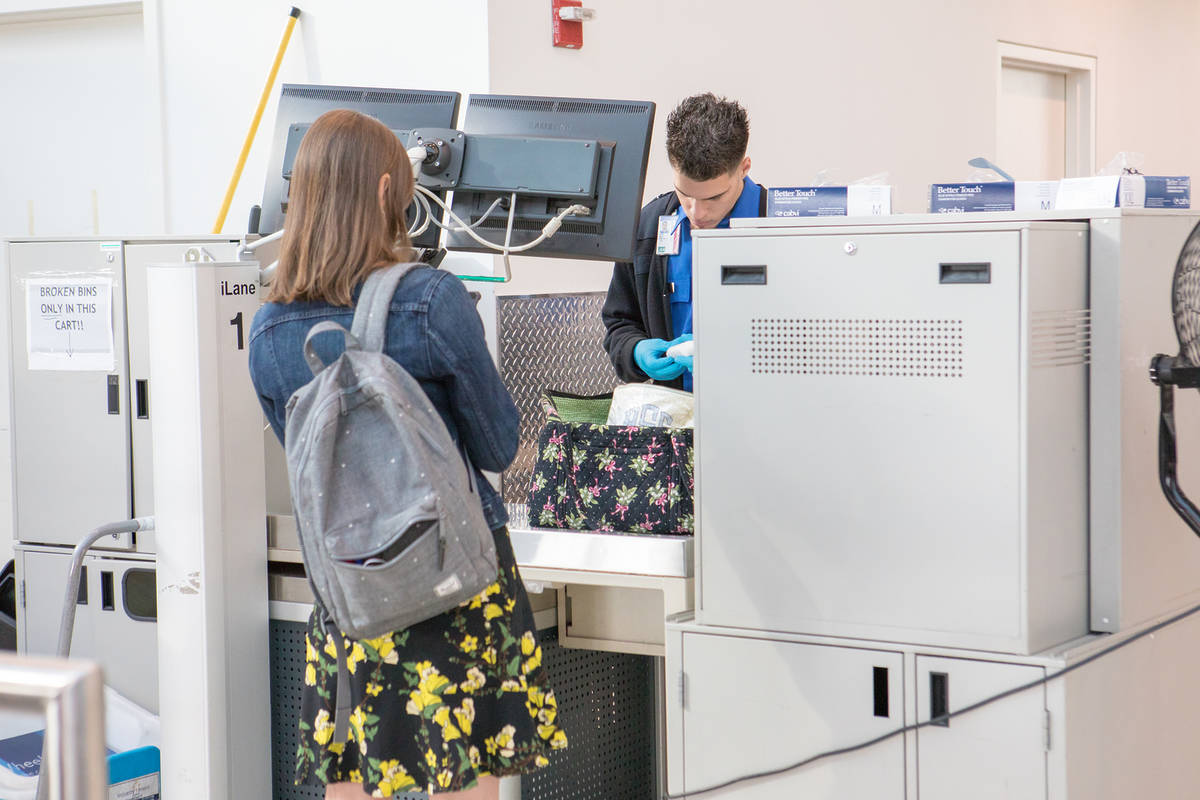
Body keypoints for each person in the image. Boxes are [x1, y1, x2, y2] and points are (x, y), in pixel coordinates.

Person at [248, 109, 566, 800]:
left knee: (354, 769)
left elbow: (305, 463)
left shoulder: (268, 330)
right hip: (451, 579)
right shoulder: (429, 300)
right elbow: (498, 443)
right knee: (468, 772)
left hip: (352, 589)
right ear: (391, 188)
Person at [602, 93, 766, 391]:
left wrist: (730, 354)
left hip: (762, 414)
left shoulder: (782, 227)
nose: (697, 213)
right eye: (684, 193)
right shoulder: (648, 229)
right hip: (675, 418)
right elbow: (620, 323)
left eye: (714, 197)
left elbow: (814, 338)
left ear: (744, 168)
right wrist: (635, 352)